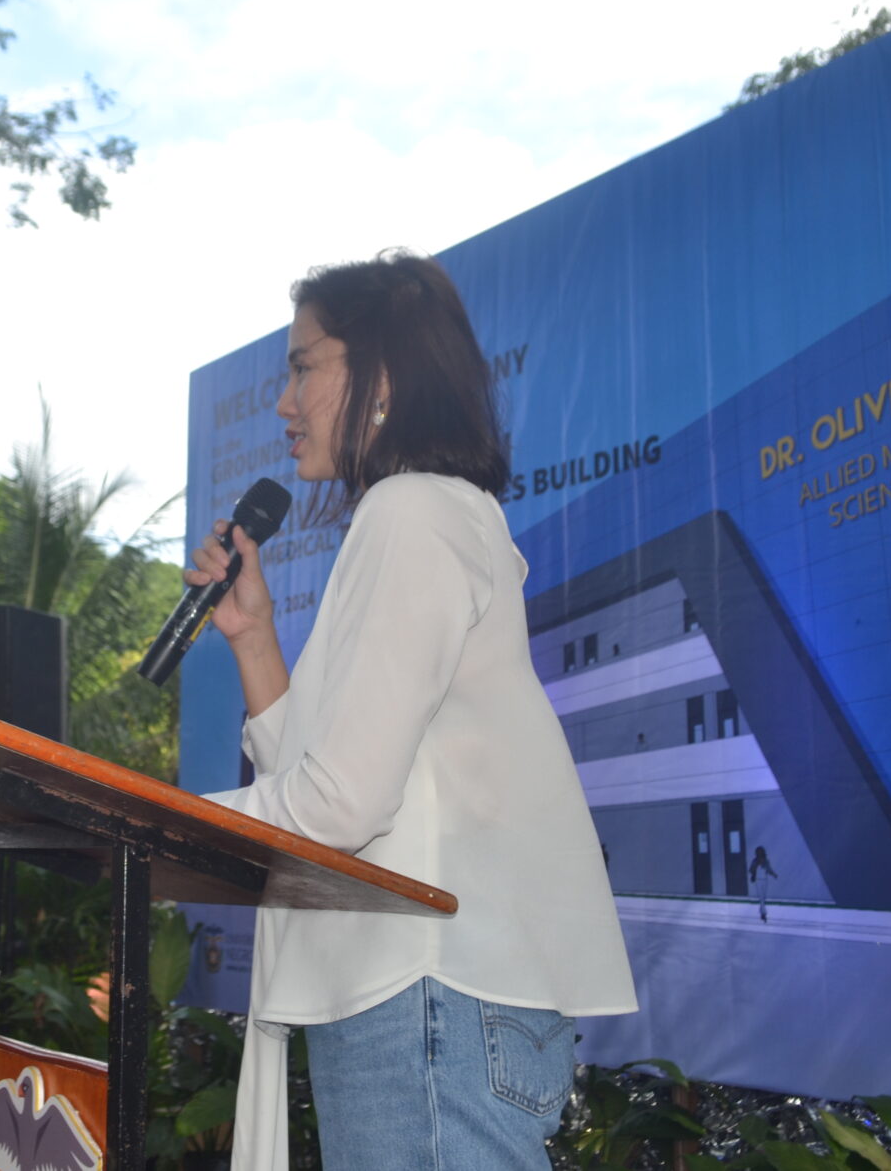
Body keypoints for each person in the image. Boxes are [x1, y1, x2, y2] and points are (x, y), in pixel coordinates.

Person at [191, 251, 636, 1171]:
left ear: (384, 374)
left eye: (303, 366)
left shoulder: (411, 510)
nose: (283, 403)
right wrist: (254, 636)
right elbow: (316, 779)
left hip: (429, 994)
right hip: (428, 997)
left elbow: (340, 805)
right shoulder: (417, 516)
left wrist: (158, 820)